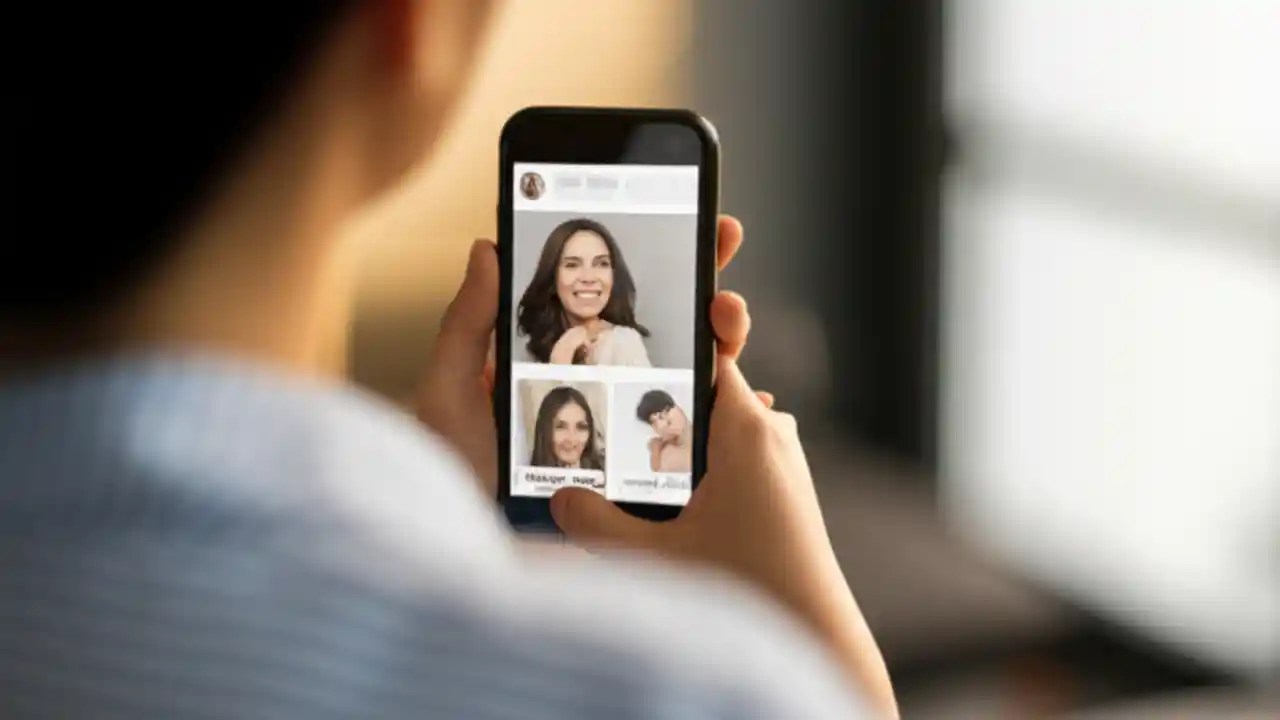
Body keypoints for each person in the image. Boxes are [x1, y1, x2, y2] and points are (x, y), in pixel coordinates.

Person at [2, 2, 897, 719]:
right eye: (570, 260)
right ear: (410, 22)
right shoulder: (683, 691)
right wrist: (814, 664)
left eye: (600, 262)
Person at [517, 217, 653, 367]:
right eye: (572, 265)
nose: (589, 278)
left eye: (602, 264)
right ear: (552, 278)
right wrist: (564, 351)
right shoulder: (531, 348)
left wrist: (559, 364)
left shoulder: (625, 344)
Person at [530, 385, 604, 470]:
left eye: (581, 427)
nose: (571, 439)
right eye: (561, 427)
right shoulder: (525, 479)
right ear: (545, 431)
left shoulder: (605, 473)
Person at [636, 389, 693, 473]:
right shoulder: (667, 456)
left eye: (666, 411)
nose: (665, 423)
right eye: (654, 422)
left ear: (679, 409)